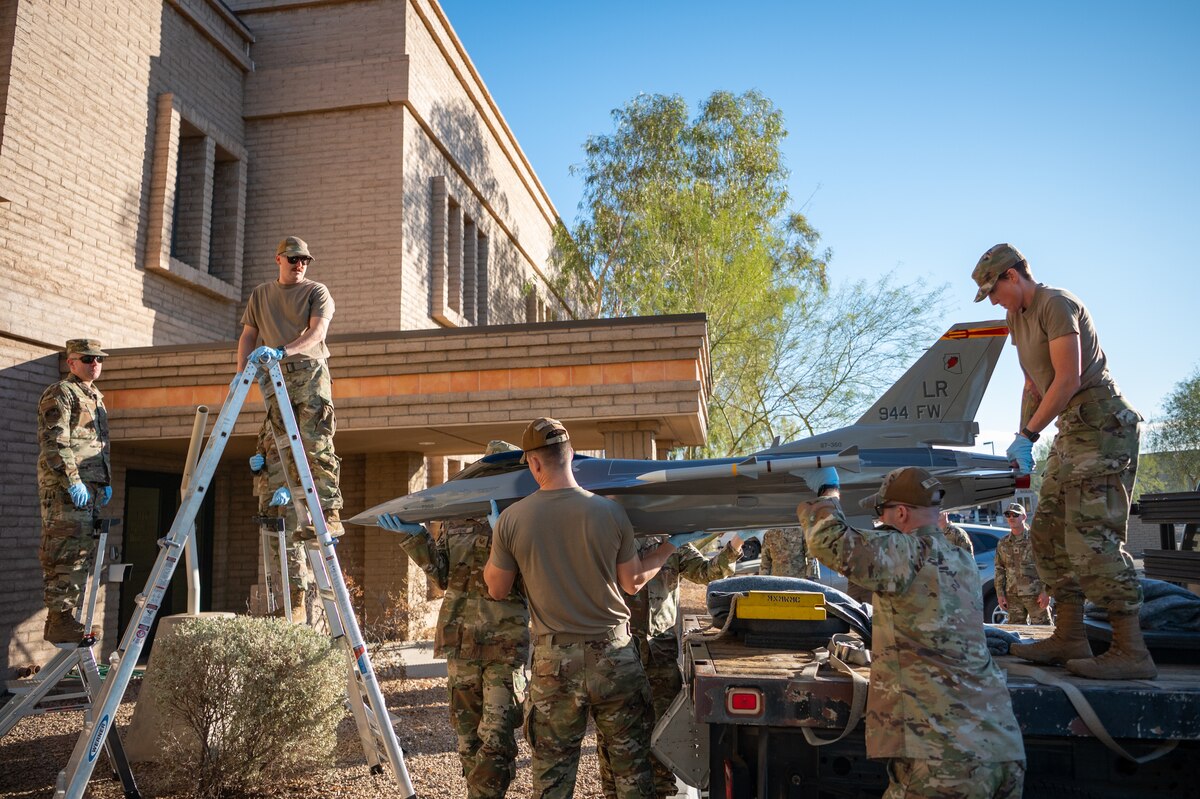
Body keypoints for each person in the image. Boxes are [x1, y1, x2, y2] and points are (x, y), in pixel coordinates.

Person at [972, 243, 1154, 679]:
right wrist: (1021, 438)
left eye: (994, 290)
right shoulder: (1016, 318)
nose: (994, 301)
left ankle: (1131, 650)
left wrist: (1029, 435)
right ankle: (1069, 635)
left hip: (1103, 424)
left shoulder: (1056, 304)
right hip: (1070, 429)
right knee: (1048, 532)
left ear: (1013, 275)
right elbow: (1033, 385)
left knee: (1091, 537)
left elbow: (1068, 378)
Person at [797, 466, 1025, 799]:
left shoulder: (907, 553)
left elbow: (827, 540)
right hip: (1000, 747)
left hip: (944, 757)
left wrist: (828, 492)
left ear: (901, 513)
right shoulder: (960, 558)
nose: (879, 520)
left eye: (882, 511)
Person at [484, 417, 673, 799]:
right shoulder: (611, 512)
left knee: (552, 780)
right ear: (570, 455)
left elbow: (497, 589)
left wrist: (500, 538)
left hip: (556, 665)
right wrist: (672, 546)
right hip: (615, 658)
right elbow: (632, 582)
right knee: (632, 776)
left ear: (534, 463)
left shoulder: (512, 520)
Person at [377, 440, 530, 799]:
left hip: (504, 644)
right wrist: (416, 537)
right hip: (460, 641)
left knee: (497, 737)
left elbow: (534, 580)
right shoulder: (457, 513)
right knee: (467, 738)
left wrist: (506, 536)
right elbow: (443, 575)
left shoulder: (524, 515)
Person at [598, 532, 743, 799]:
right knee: (614, 731)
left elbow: (707, 572)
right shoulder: (611, 536)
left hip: (659, 654)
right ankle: (613, 792)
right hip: (617, 652)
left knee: (662, 732)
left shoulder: (673, 542)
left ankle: (662, 791)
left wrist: (736, 543)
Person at [237, 236, 343, 536]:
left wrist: (282, 351)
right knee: (277, 445)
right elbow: (248, 336)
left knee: (315, 443)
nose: (299, 264)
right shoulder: (261, 294)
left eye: (304, 260)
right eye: (293, 259)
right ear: (279, 259)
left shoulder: (316, 291)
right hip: (275, 377)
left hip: (309, 373)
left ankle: (329, 516)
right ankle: (290, 514)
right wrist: (241, 374)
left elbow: (317, 332)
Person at [37, 339, 112, 644]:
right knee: (64, 552)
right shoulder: (61, 392)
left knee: (81, 553)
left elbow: (98, 444)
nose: (95, 364)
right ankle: (59, 620)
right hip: (66, 489)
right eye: (88, 359)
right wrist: (72, 480)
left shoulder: (95, 396)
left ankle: (64, 619)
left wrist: (104, 482)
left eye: (99, 359)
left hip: (89, 489)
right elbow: (55, 442)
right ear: (71, 362)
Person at [249, 420, 310, 624]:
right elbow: (262, 453)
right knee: (277, 547)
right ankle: (288, 602)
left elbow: (309, 456)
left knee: (291, 544)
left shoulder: (297, 415)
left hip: (290, 492)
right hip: (269, 491)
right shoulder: (268, 423)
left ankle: (298, 603)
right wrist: (257, 465)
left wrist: (292, 486)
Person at [994, 503, 1050, 625]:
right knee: (1016, 631)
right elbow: (999, 569)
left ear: (1024, 517)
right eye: (1008, 514)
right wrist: (1000, 594)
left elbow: (1048, 566)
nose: (1011, 517)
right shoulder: (1003, 543)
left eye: (1015, 515)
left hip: (1035, 596)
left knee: (1043, 630)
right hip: (1013, 597)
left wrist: (1046, 592)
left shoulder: (1036, 539)